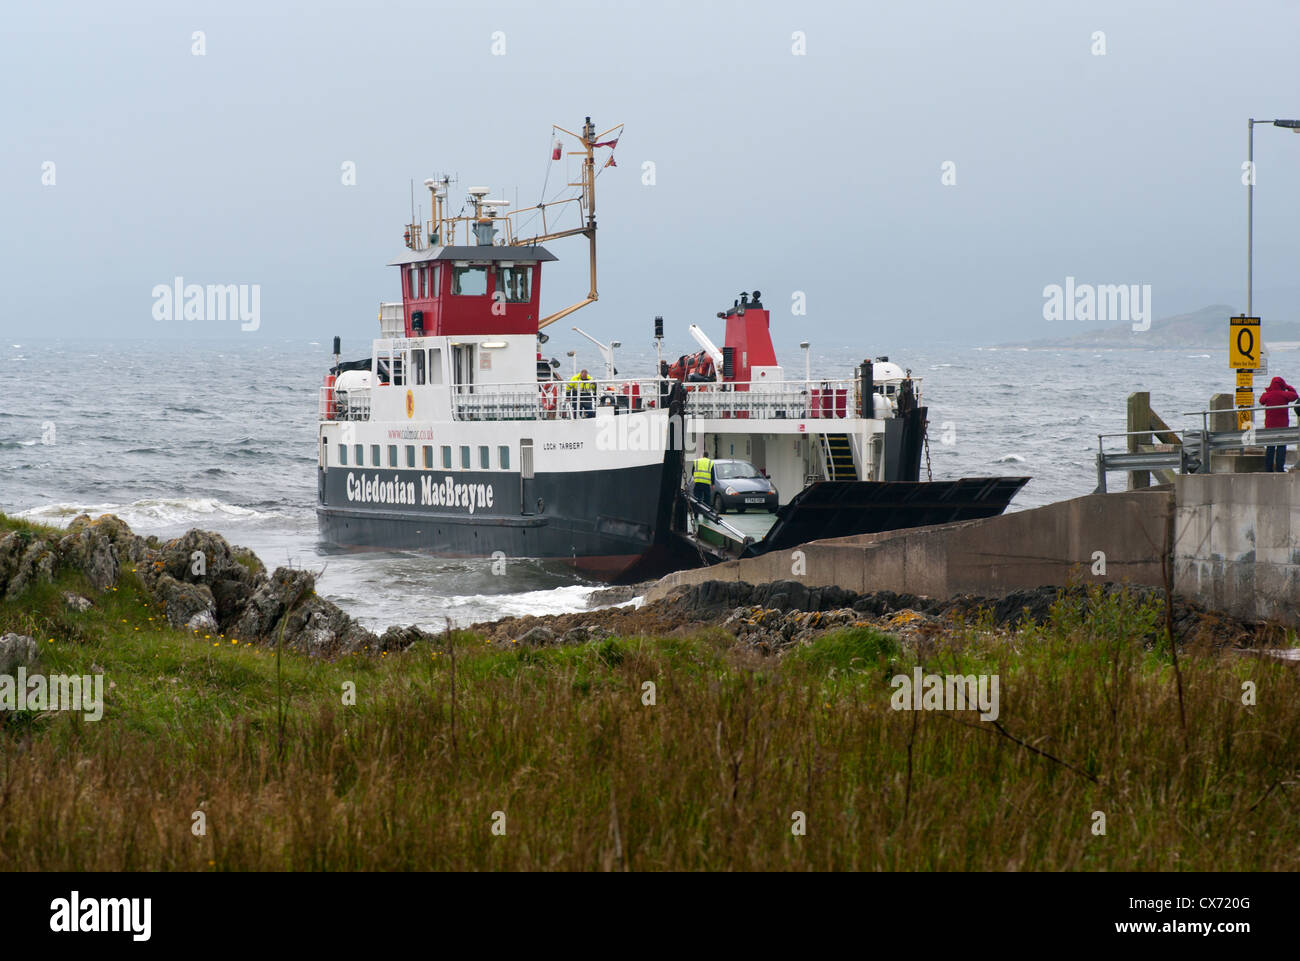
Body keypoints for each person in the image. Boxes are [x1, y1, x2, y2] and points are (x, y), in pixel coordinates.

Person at [1259, 376, 1298, 472]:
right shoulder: (1284, 395)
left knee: (1270, 447)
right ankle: (1280, 468)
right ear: (1282, 385)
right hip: (1283, 425)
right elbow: (1295, 396)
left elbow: (1261, 401)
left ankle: (1268, 469)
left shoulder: (1267, 395)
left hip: (1270, 426)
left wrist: (1269, 391)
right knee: (1281, 447)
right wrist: (1287, 386)